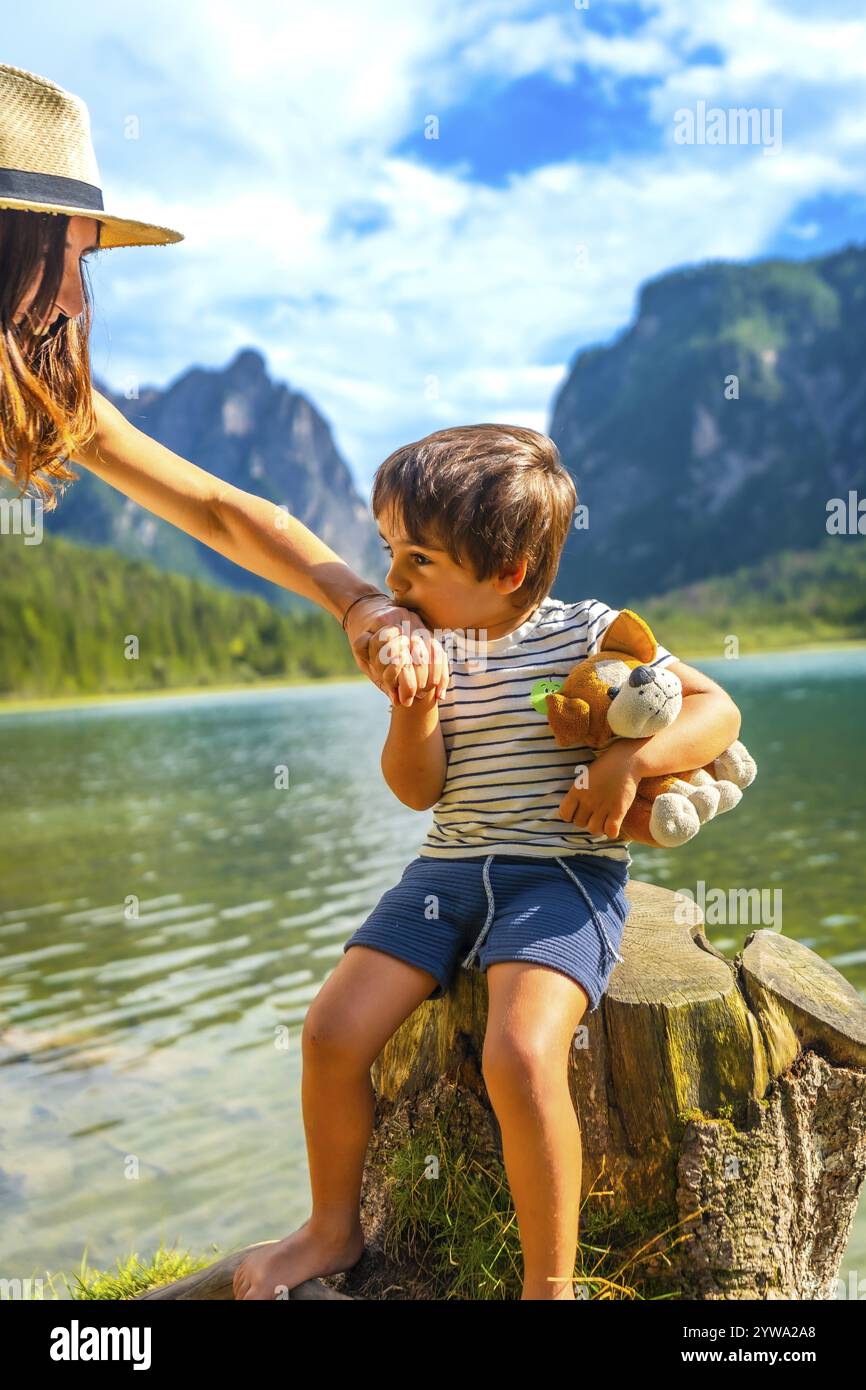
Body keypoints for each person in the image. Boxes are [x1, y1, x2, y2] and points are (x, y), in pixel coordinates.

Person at [232, 423, 743, 1301]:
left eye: (418, 560)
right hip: (446, 871)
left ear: (506, 571)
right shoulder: (426, 647)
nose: (392, 583)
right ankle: (330, 1227)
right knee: (329, 1033)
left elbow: (717, 708)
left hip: (564, 875)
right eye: (389, 551)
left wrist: (627, 760)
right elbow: (416, 791)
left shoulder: (593, 636)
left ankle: (550, 1287)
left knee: (518, 1052)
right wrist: (414, 710)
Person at [0, 62, 445, 705]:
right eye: (56, 256)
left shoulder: (41, 396)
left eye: (83, 261)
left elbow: (212, 508)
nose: (73, 299)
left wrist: (360, 605)